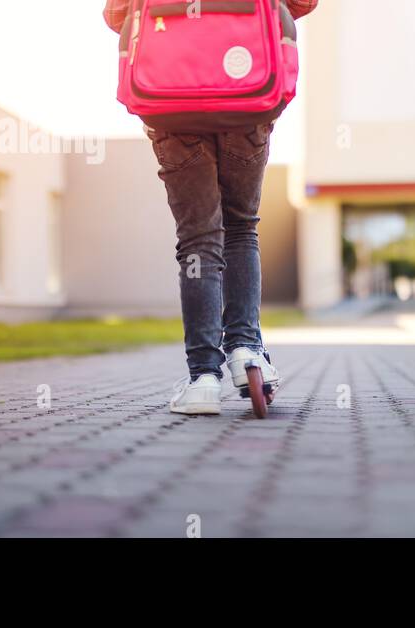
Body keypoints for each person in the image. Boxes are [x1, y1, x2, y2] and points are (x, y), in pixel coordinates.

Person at [103, 0, 319, 414]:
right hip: (247, 94)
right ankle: (245, 349)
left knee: (198, 240)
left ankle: (203, 377)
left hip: (170, 103)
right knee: (241, 228)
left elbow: (117, 16)